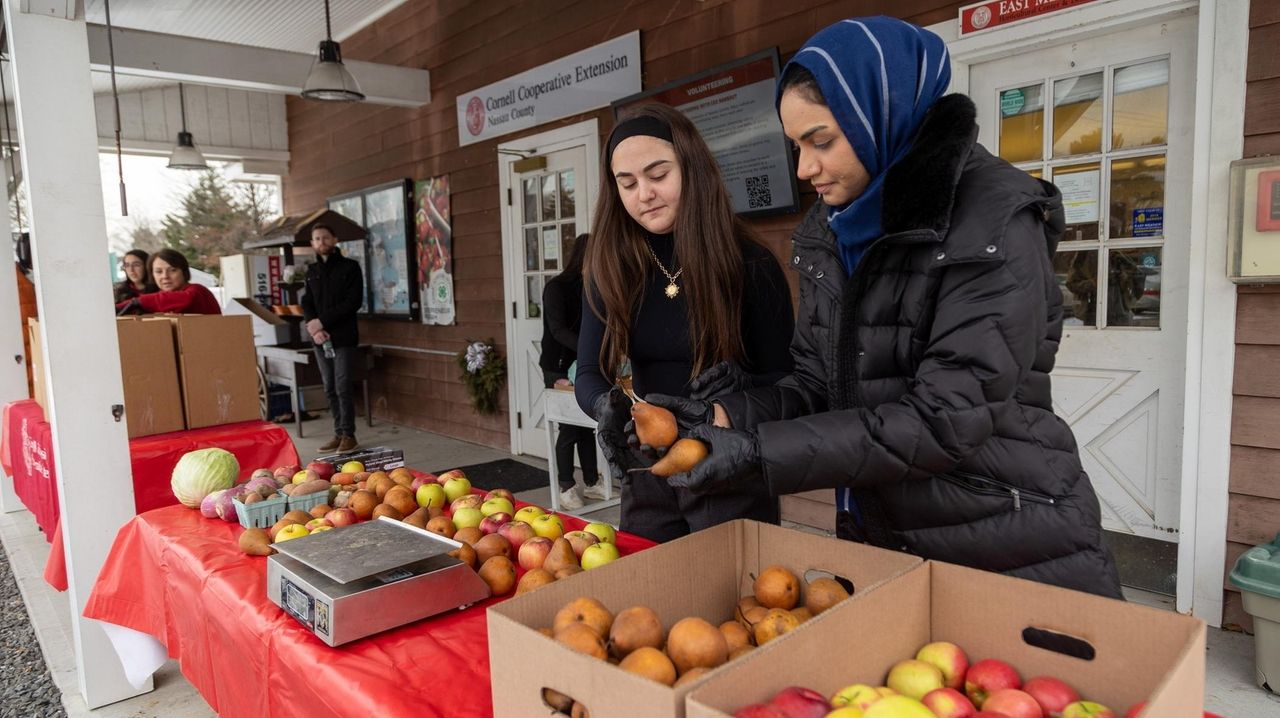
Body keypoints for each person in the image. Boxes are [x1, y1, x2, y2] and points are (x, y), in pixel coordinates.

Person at [650, 17, 1123, 598]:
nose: (804, 169)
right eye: (796, 146)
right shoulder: (832, 226)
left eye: (821, 141)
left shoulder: (994, 223)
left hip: (1005, 540)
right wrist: (721, 419)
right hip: (882, 534)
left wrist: (756, 454)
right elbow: (816, 382)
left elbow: (942, 420)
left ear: (882, 115)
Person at [575, 103, 795, 542]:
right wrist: (605, 406)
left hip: (728, 467)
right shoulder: (611, 266)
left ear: (692, 169)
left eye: (658, 176)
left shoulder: (750, 264)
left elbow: (788, 384)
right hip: (649, 465)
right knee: (647, 595)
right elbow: (588, 373)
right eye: (628, 183)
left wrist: (744, 391)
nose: (644, 195)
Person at [541, 234, 602, 510]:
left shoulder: (592, 286)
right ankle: (566, 485)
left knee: (586, 426)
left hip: (584, 363)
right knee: (568, 428)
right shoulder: (556, 287)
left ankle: (591, 481)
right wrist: (590, 348)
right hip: (558, 365)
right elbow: (557, 330)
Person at [301, 222, 365, 454]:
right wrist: (314, 327)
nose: (321, 242)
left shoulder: (350, 267)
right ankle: (338, 433)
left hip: (344, 337)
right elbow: (307, 301)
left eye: (325, 237)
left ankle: (349, 434)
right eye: (317, 239)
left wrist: (323, 322)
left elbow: (352, 302)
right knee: (329, 386)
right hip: (320, 339)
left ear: (335, 239)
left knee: (342, 385)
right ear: (312, 243)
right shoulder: (312, 271)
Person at [115, 248, 220, 315]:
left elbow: (184, 299)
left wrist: (136, 302)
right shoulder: (161, 296)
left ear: (184, 271)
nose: (165, 276)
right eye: (158, 271)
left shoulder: (197, 291)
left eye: (172, 270)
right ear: (152, 275)